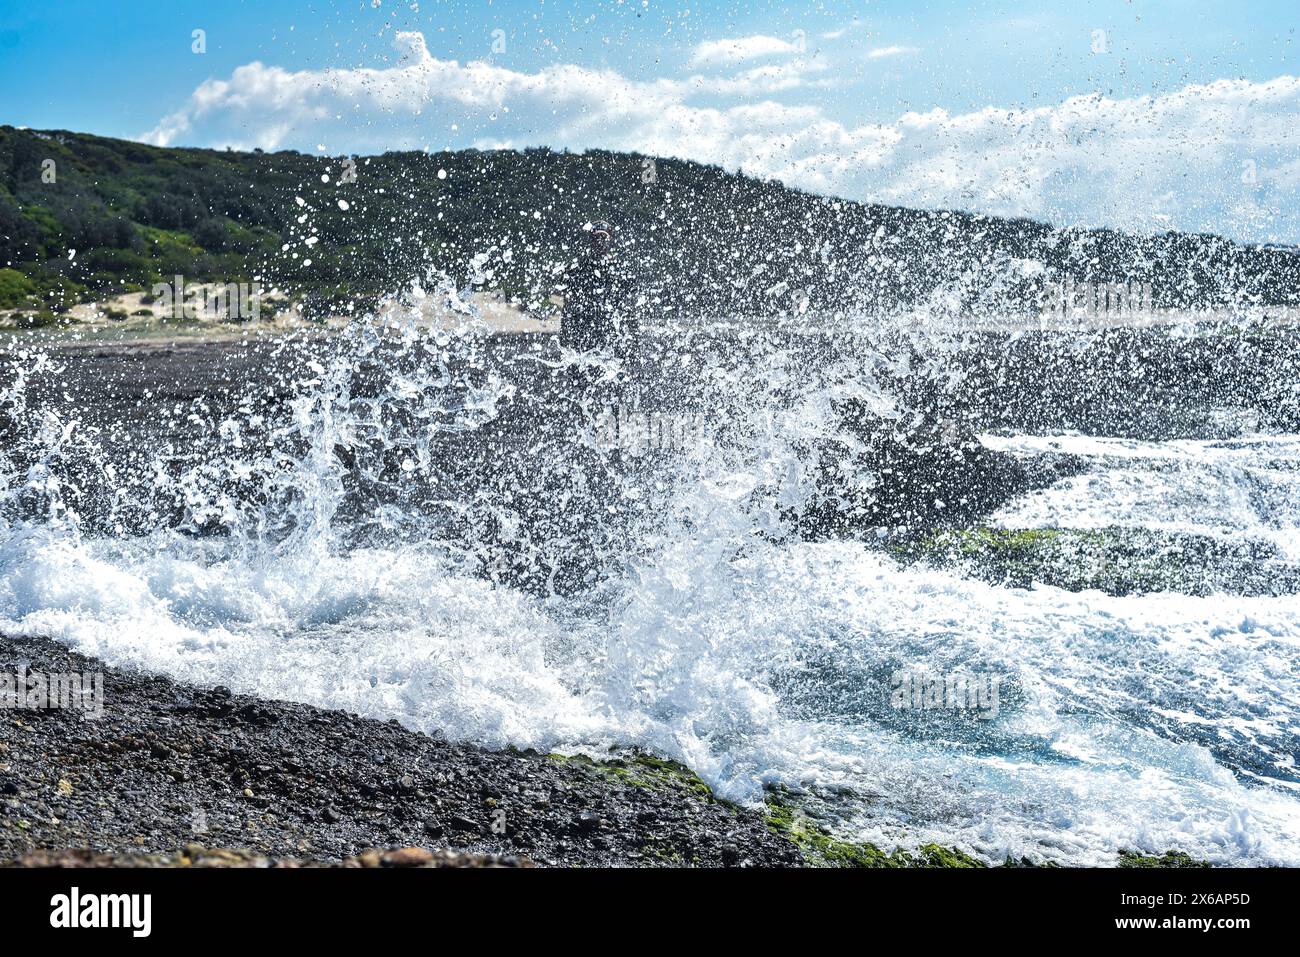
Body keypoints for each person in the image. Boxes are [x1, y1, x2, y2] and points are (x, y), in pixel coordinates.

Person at [559, 221, 638, 359]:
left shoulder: (621, 269)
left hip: (610, 331)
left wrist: (633, 338)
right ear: (591, 240)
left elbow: (629, 306)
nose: (600, 242)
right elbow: (567, 304)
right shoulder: (578, 267)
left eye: (604, 238)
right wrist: (565, 336)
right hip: (583, 329)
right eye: (597, 238)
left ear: (611, 241)